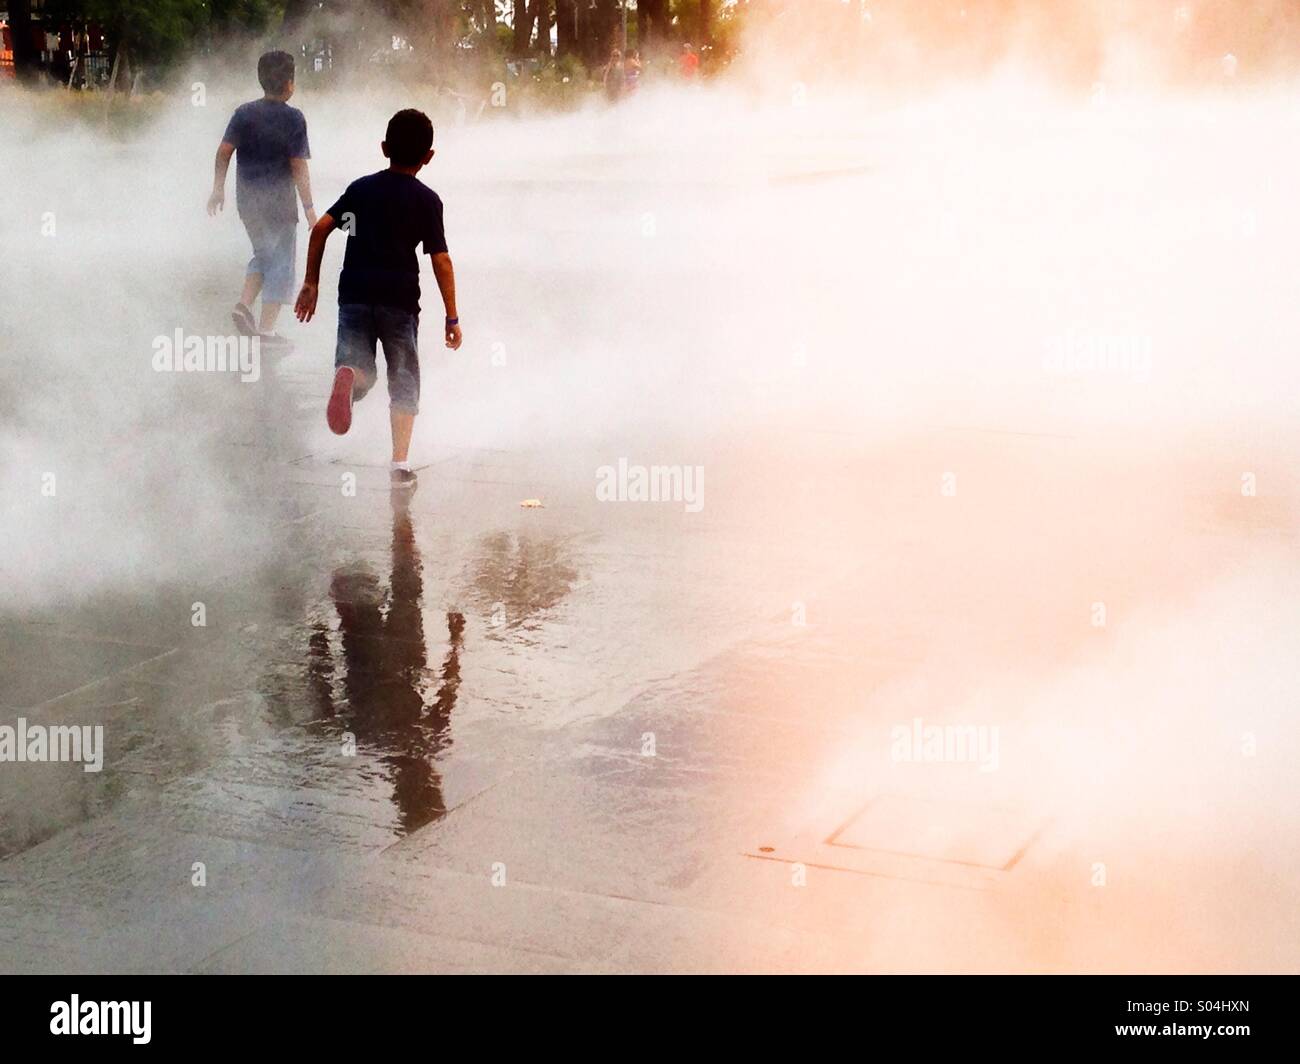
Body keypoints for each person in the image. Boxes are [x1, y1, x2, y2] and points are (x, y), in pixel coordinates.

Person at [293, 109, 462, 491]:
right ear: (428, 156)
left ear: (384, 148)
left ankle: (350, 378)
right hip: (399, 302)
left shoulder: (361, 190)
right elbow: (441, 260)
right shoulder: (426, 201)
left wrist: (310, 283)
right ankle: (400, 464)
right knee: (403, 381)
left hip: (354, 294)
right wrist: (451, 317)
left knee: (360, 369)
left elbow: (322, 228)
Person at [208, 50, 315, 347]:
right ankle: (266, 332)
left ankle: (243, 306)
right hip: (280, 205)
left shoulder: (244, 113)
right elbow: (298, 165)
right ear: (290, 84)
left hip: (248, 201)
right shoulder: (293, 118)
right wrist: (309, 208)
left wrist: (218, 189)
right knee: (281, 263)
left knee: (264, 256)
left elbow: (223, 151)